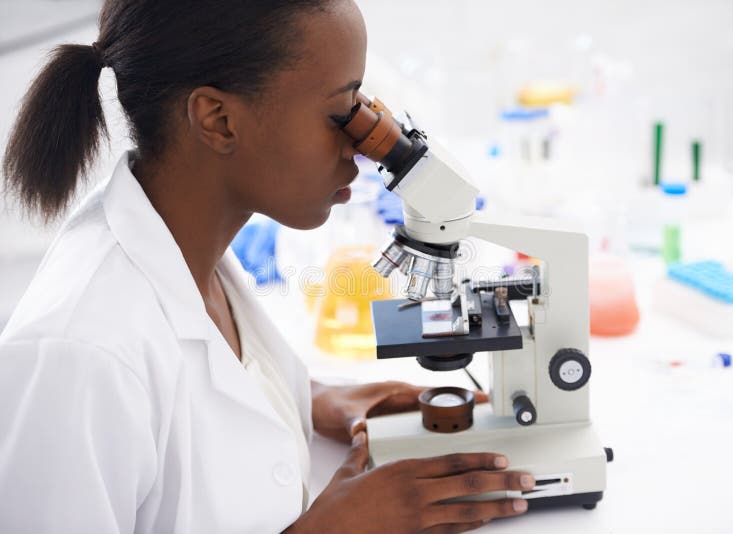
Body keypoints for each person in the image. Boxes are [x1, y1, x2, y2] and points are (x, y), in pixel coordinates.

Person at [0, 1, 535, 532]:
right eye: (341, 113)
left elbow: (189, 399)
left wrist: (309, 399)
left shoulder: (188, 243)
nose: (362, 148)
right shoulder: (79, 358)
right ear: (220, 120)